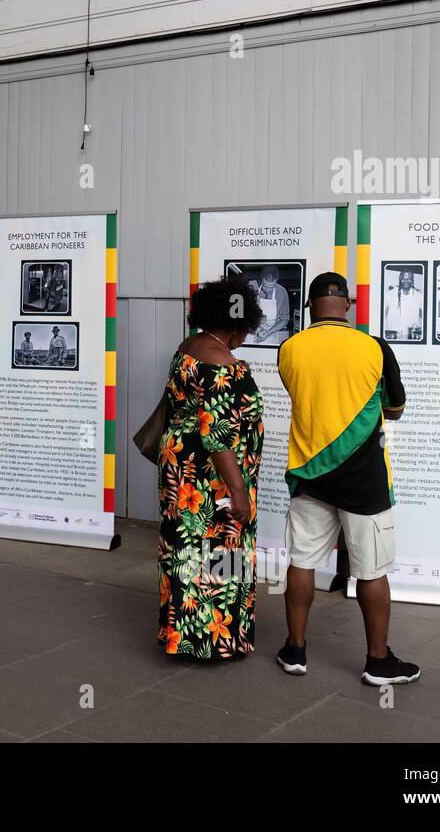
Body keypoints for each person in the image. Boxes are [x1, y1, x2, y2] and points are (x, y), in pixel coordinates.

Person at [276, 272, 420, 686]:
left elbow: (299, 391)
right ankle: (378, 662)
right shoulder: (374, 347)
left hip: (309, 473)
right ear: (348, 305)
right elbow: (396, 407)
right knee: (371, 571)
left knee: (301, 562)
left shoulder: (289, 348)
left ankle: (295, 650)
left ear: (310, 306)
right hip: (364, 479)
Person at [157, 275, 265, 660]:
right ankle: (213, 640)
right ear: (237, 324)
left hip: (181, 469)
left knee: (186, 549)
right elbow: (217, 436)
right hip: (210, 479)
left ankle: (182, 636)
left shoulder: (189, 346)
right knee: (221, 549)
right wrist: (238, 493)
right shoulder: (221, 361)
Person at [249, 265, 291, 345]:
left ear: (276, 280)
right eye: (265, 286)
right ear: (261, 279)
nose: (267, 290)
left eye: (271, 287)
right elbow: (242, 314)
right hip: (251, 332)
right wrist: (255, 327)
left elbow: (285, 319)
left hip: (272, 333)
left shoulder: (282, 292)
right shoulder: (252, 287)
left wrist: (268, 332)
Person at [383, 268, 423, 341]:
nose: (406, 281)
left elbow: (428, 317)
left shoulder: (419, 296)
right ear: (400, 279)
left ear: (412, 280)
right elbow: (379, 313)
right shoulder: (389, 294)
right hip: (392, 338)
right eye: (404, 279)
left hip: (412, 339)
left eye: (409, 279)